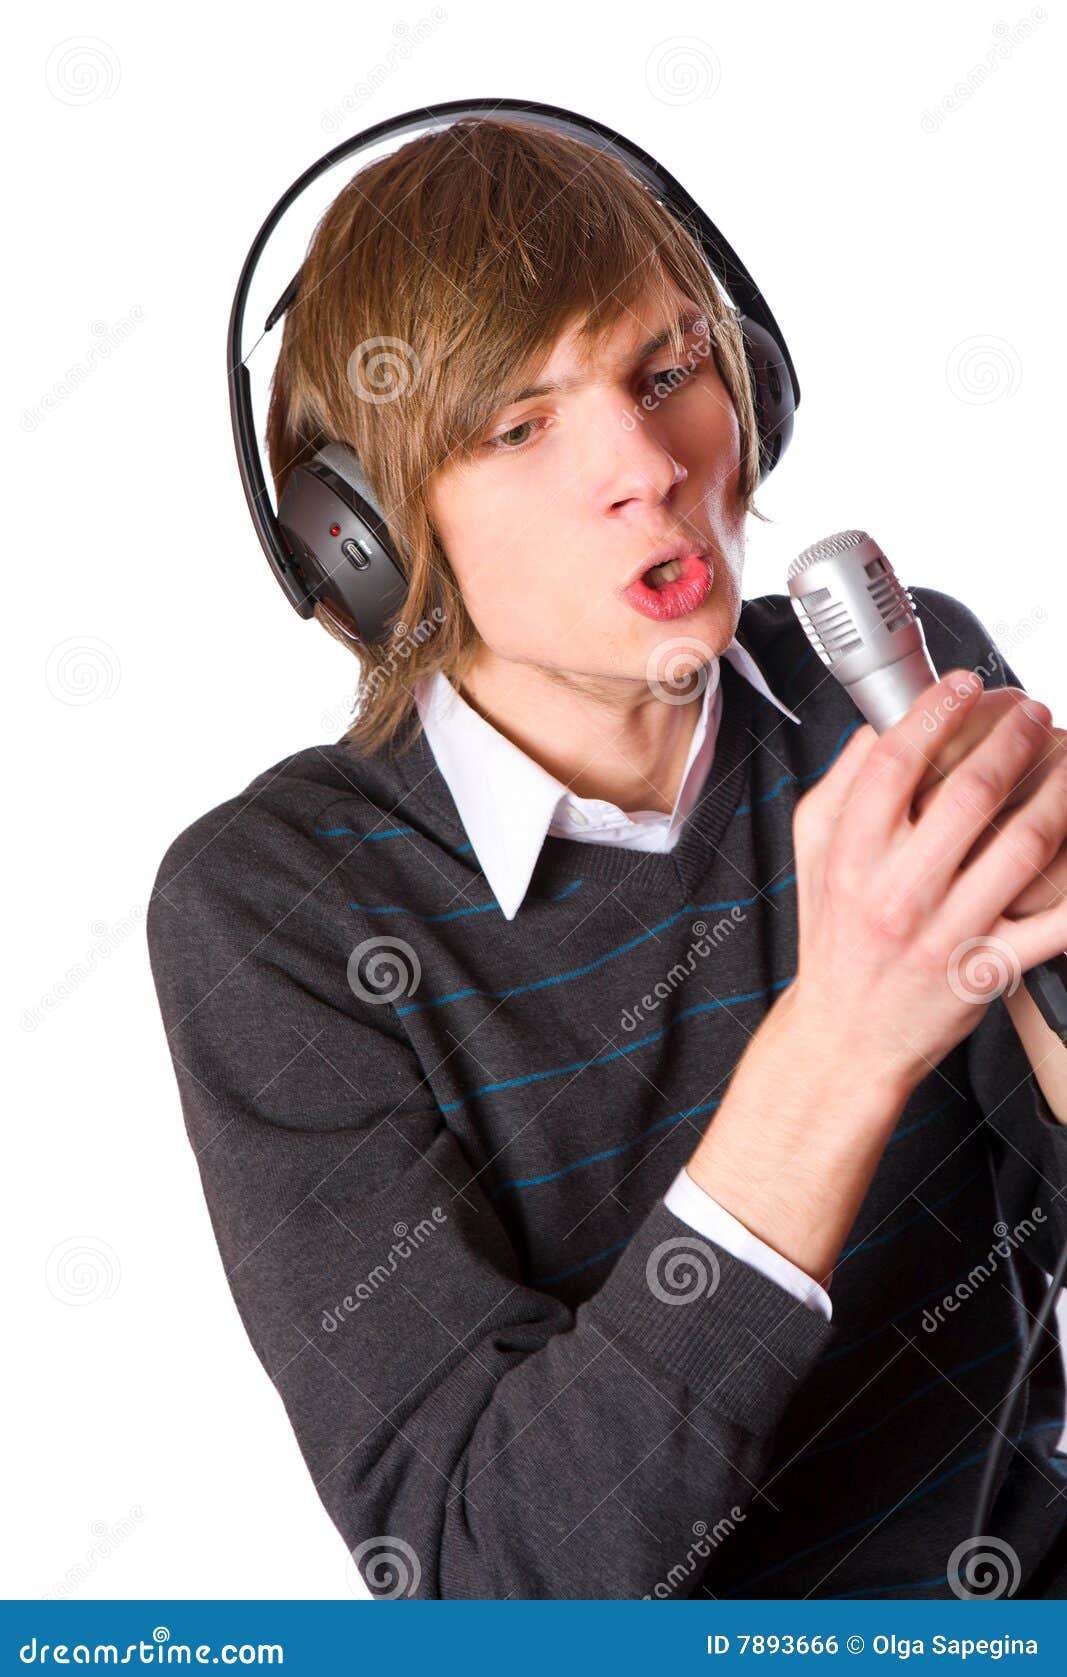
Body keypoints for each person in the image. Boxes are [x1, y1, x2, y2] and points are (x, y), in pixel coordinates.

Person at [146, 118, 1067, 1600]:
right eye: (520, 427)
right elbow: (495, 1580)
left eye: (668, 373)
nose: (646, 466)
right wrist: (840, 1045)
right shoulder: (278, 913)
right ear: (364, 539)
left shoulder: (898, 691)